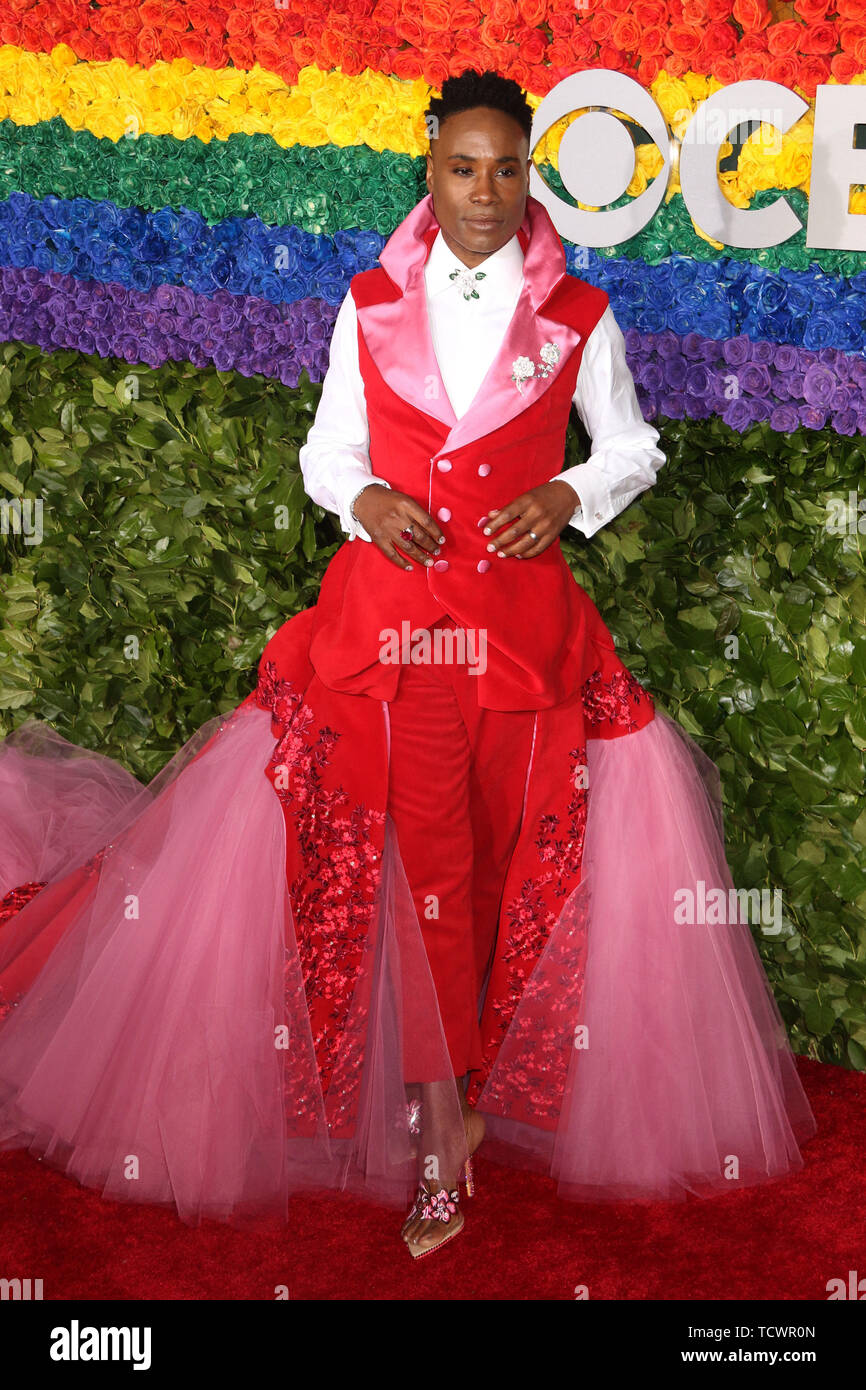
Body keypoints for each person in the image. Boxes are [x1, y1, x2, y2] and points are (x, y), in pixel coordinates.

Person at [0, 70, 816, 1262]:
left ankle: (469, 1087)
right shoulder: (369, 302)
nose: (483, 194)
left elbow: (632, 445)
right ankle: (440, 1130)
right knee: (420, 854)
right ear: (426, 165)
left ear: (528, 173)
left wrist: (568, 489)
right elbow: (325, 450)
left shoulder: (580, 314)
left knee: (493, 863)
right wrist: (368, 495)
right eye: (459, 168)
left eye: (505, 170)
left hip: (520, 642)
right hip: (387, 638)